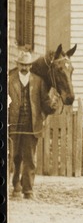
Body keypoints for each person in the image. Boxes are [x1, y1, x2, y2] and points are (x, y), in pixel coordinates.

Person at [8, 48, 63, 199]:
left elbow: (45, 103)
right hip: (13, 125)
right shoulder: (9, 80)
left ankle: (28, 189)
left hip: (31, 125)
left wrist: (54, 103)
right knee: (15, 156)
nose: (24, 68)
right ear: (17, 65)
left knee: (30, 158)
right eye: (22, 65)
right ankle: (15, 184)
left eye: (27, 65)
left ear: (31, 66)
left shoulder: (39, 82)